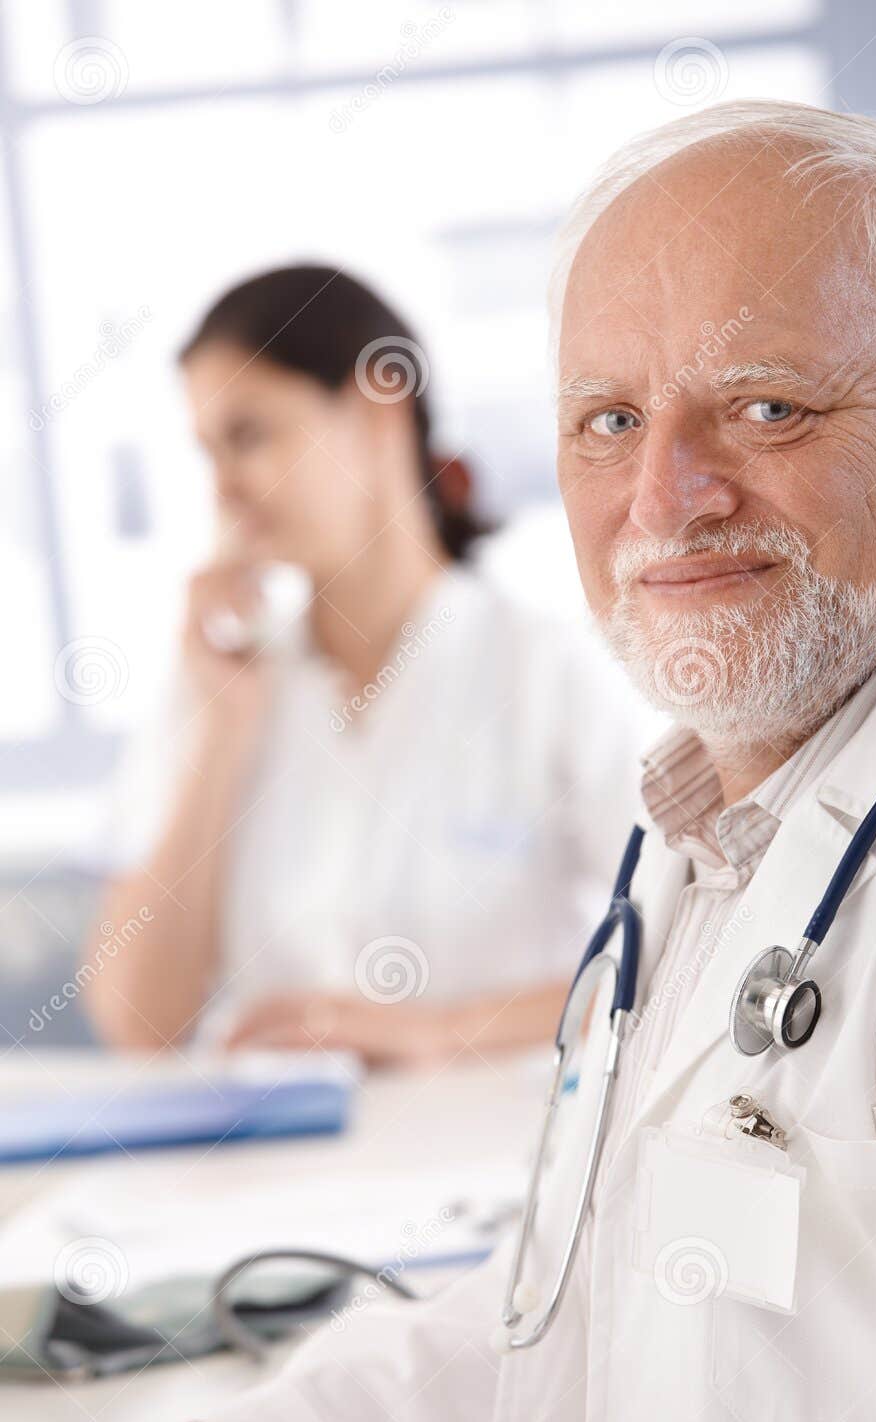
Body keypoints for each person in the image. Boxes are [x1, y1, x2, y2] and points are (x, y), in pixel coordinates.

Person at [31, 101, 876, 1422]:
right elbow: (608, 1275)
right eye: (607, 422)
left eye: (767, 407)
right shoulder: (736, 802)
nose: (664, 501)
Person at [84, 265, 646, 1064]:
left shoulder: (548, 670)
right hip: (263, 1169)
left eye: (248, 436)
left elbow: (670, 957)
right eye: (206, 452)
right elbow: (140, 1022)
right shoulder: (218, 682)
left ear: (378, 404)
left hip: (492, 1162)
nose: (223, 491)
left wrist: (436, 1034)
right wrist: (223, 735)